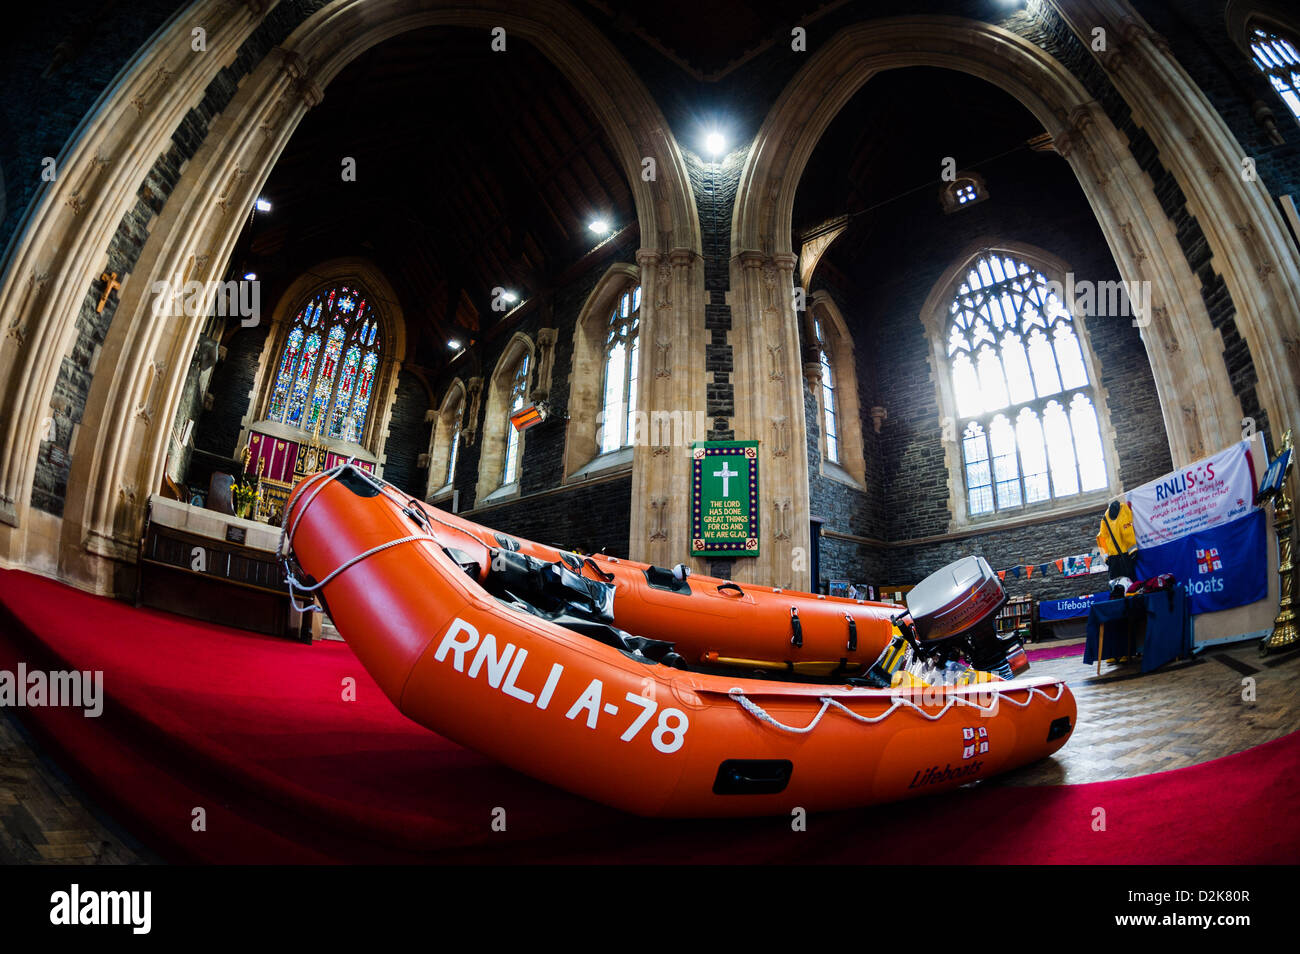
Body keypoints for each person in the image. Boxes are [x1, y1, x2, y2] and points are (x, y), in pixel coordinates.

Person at [1097, 499, 1138, 600]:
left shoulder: (1105, 517)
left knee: (1115, 589)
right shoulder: (1124, 509)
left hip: (1112, 559)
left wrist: (1105, 557)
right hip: (1126, 556)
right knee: (1130, 587)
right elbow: (1127, 531)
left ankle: (1118, 610)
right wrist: (1133, 550)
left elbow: (1100, 538)